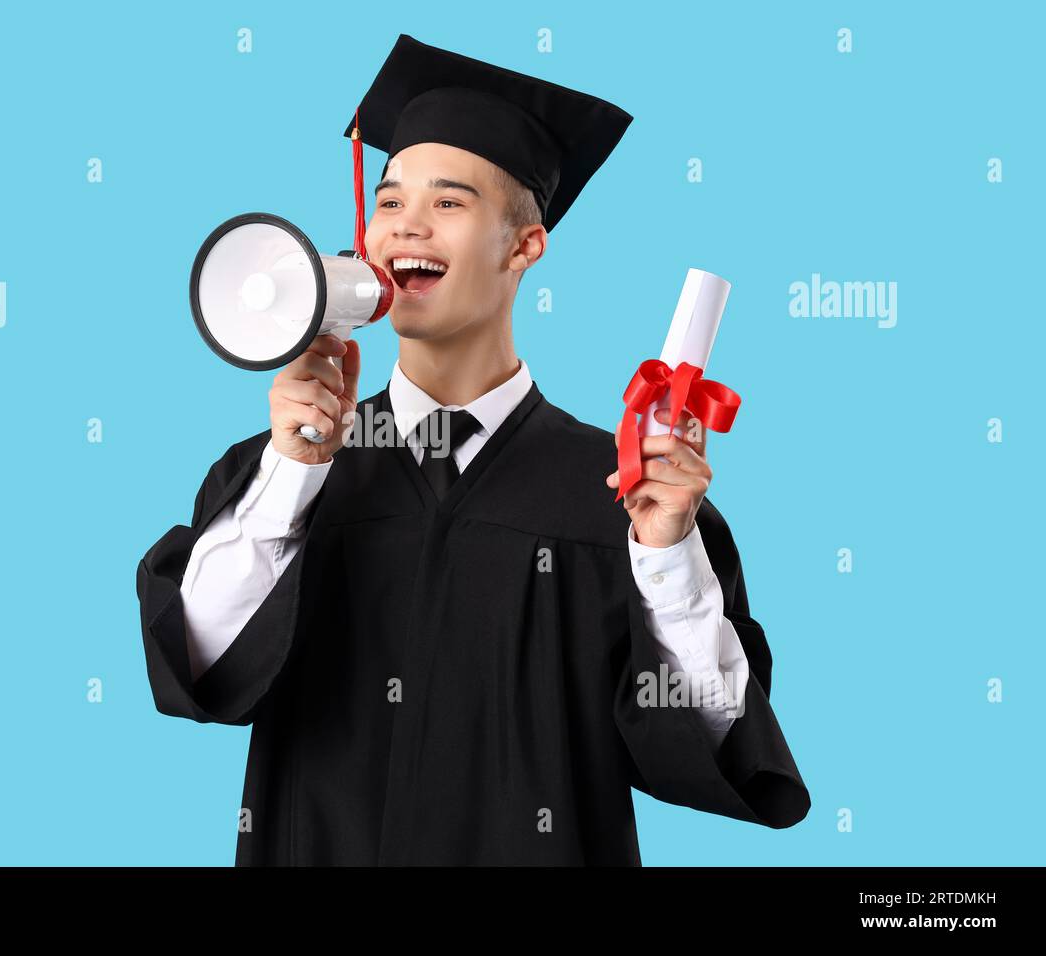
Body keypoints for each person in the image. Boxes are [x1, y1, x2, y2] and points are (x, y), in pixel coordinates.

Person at [136, 33, 810, 865]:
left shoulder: (622, 498)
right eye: (388, 202)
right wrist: (291, 475)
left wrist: (667, 560)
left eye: (449, 204)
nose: (406, 225)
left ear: (525, 247)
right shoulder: (276, 472)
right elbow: (199, 669)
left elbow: (715, 744)